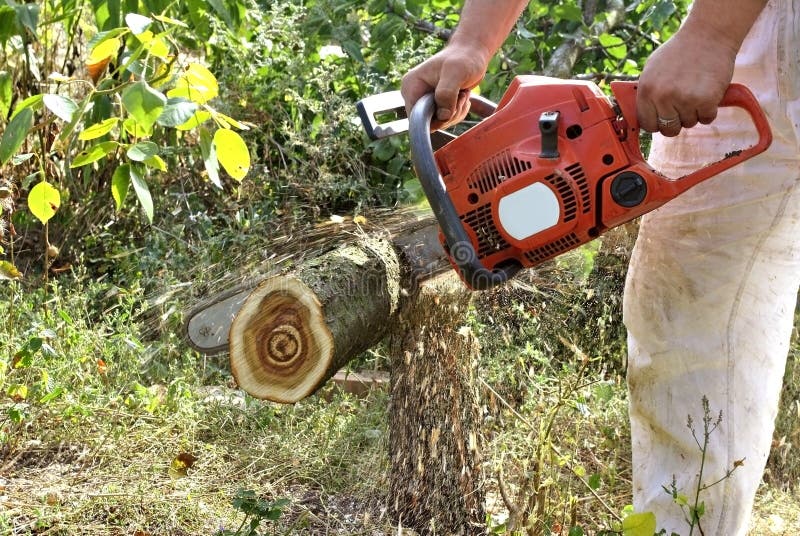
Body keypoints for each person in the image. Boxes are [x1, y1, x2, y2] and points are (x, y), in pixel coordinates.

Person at [400, 1, 800, 535]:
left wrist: (709, 34)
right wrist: (472, 42)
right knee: (684, 321)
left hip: (732, 23)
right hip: (756, 27)